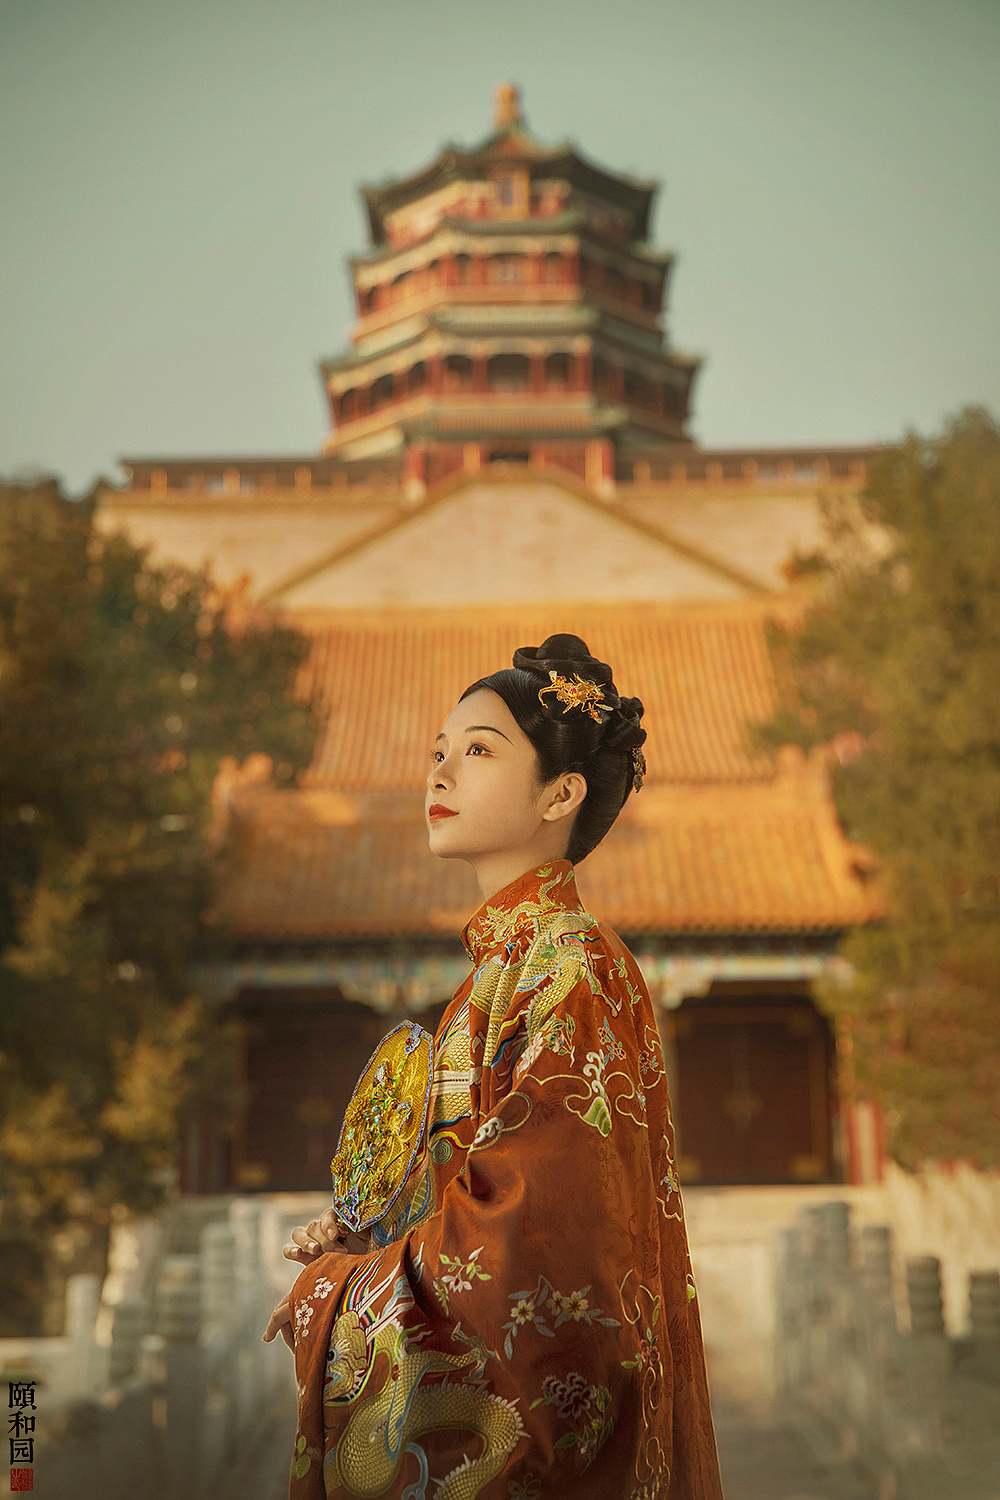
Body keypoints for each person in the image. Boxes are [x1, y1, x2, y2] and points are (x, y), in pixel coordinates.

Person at [263, 634, 724, 1499]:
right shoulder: (494, 976)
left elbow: (534, 1239)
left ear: (561, 793)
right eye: (438, 752)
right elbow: (459, 1198)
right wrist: (372, 1244)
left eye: (478, 751)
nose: (438, 774)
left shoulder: (570, 967)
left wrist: (345, 1291)